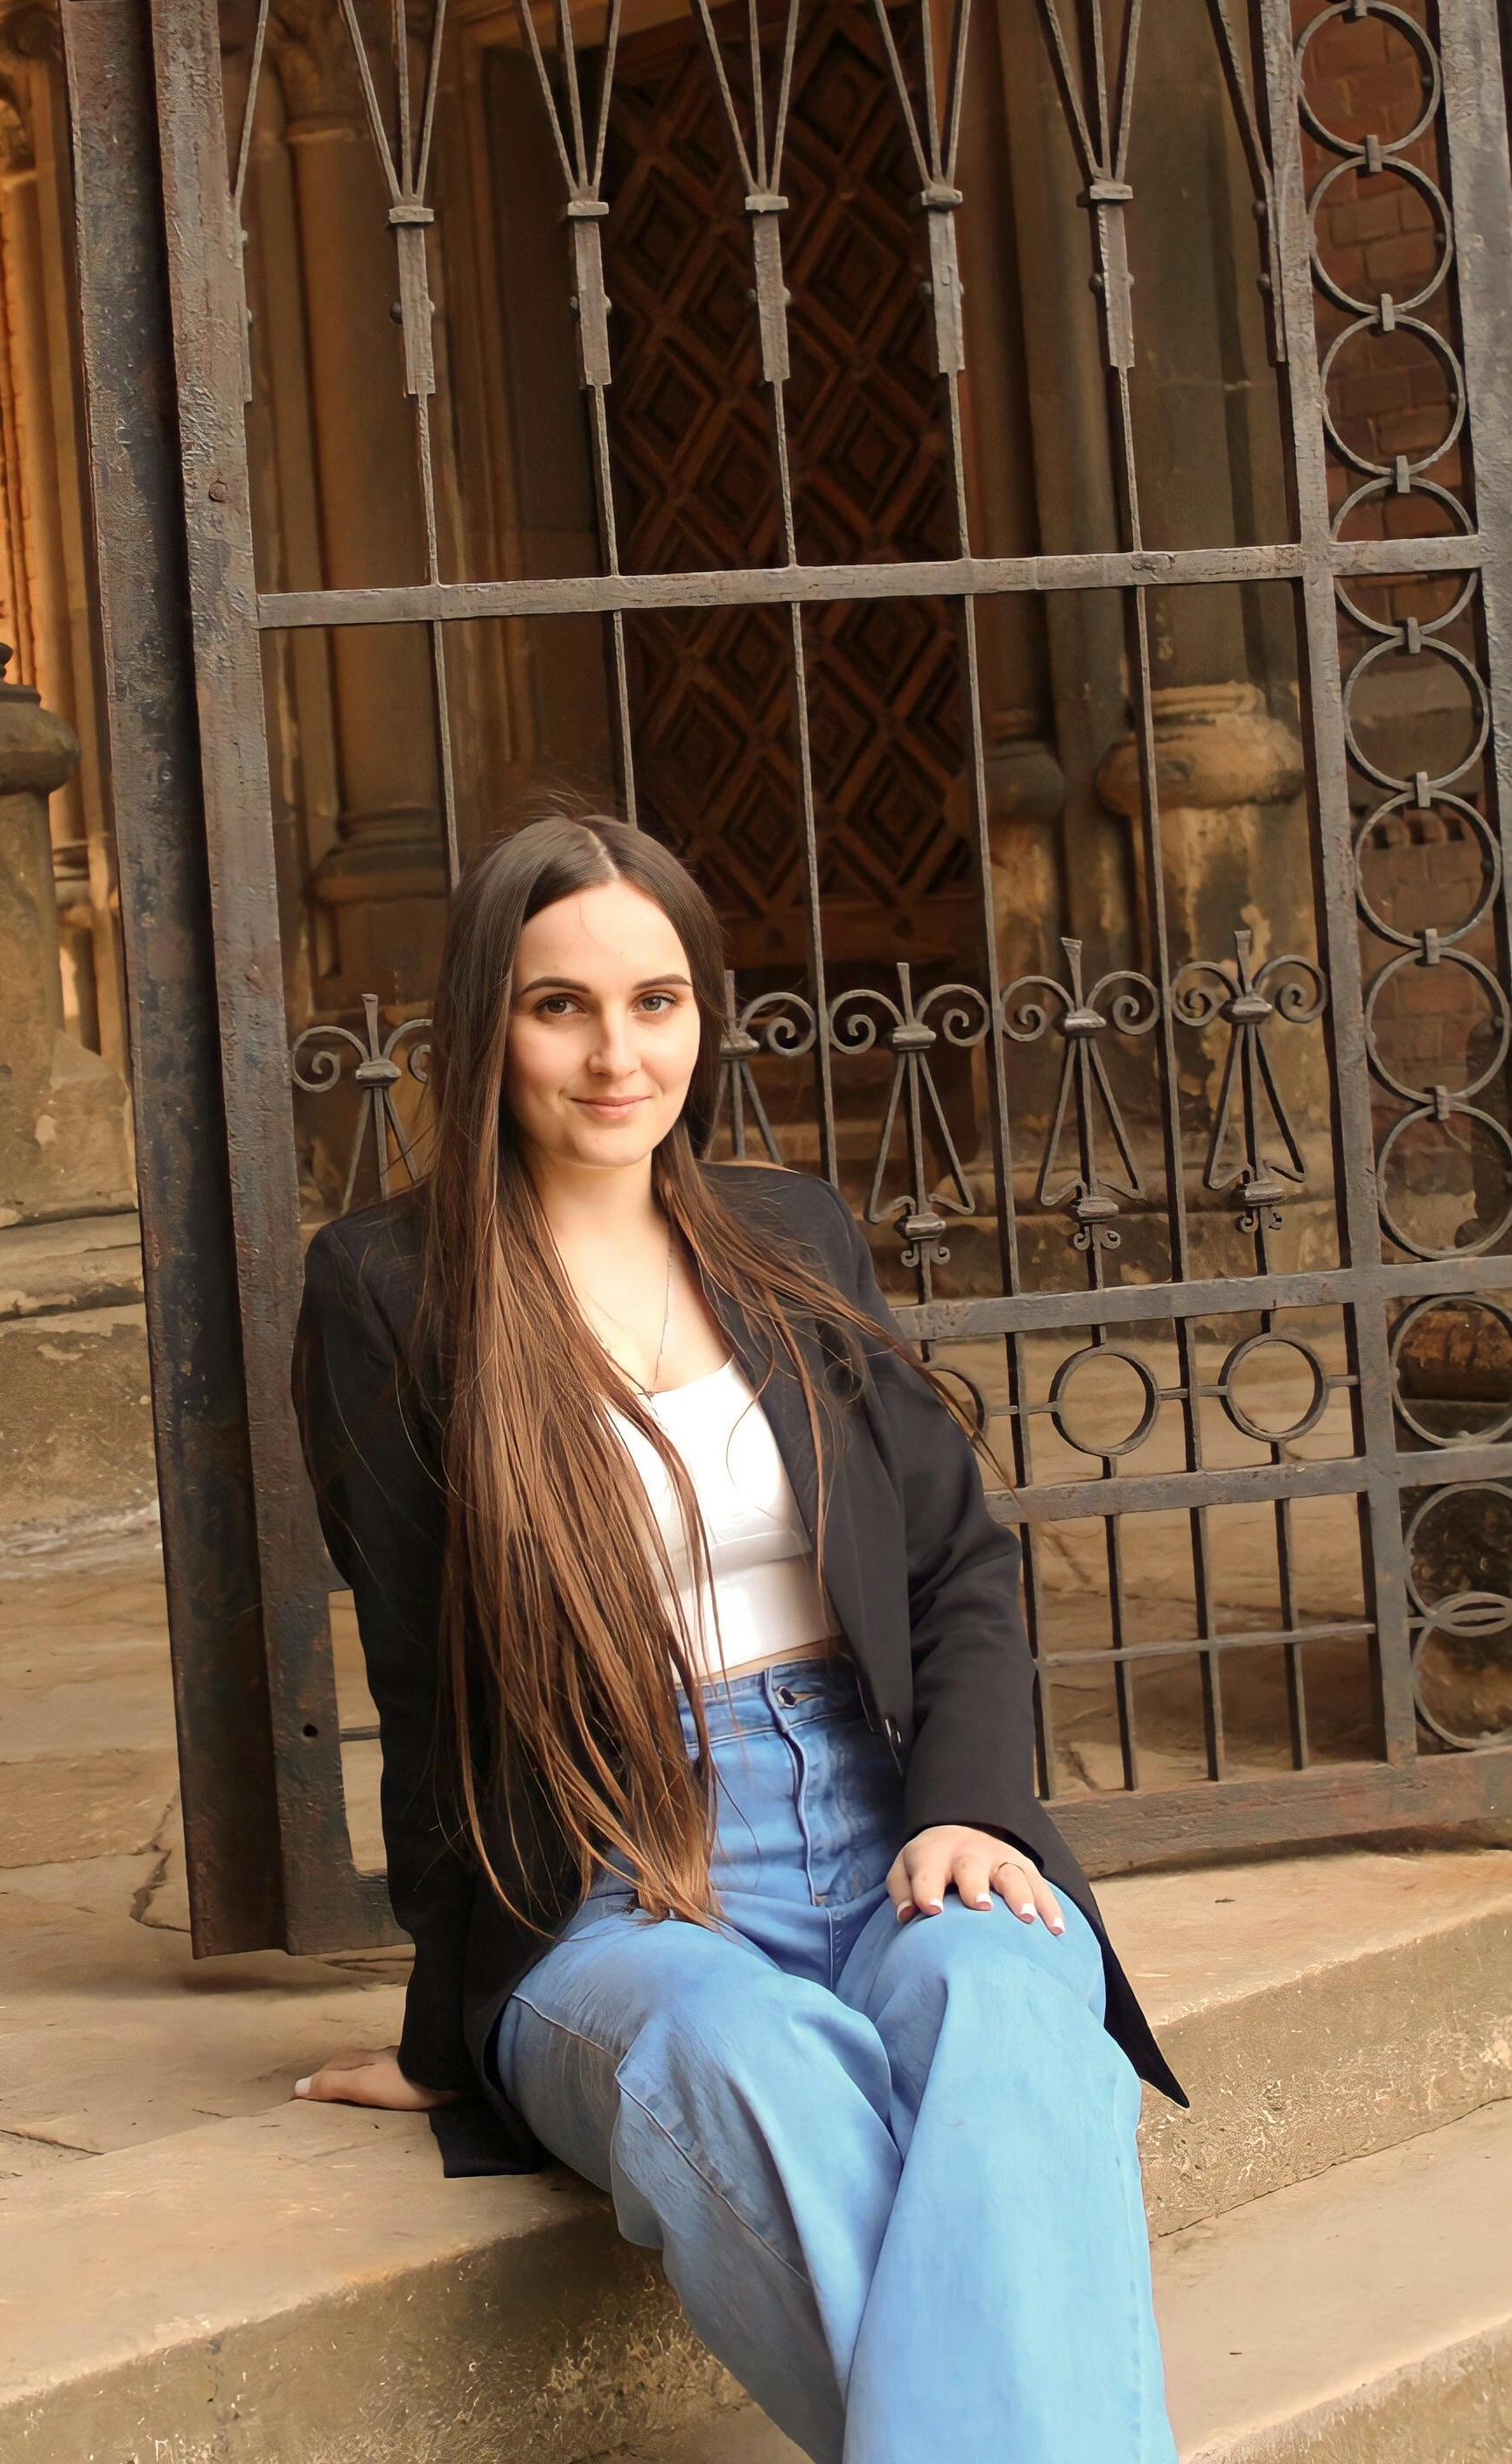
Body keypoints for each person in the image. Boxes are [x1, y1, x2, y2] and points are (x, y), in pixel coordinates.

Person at [290, 812, 1181, 2463]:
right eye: (559, 1005)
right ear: (484, 1018)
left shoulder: (787, 1232)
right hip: (618, 1877)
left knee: (1005, 2008)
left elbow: (957, 1566)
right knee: (738, 2050)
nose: (615, 1052)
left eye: (656, 1000)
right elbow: (422, 1681)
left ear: (704, 1011)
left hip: (887, 1816)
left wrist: (968, 1806)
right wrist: (450, 2026)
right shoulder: (387, 1289)